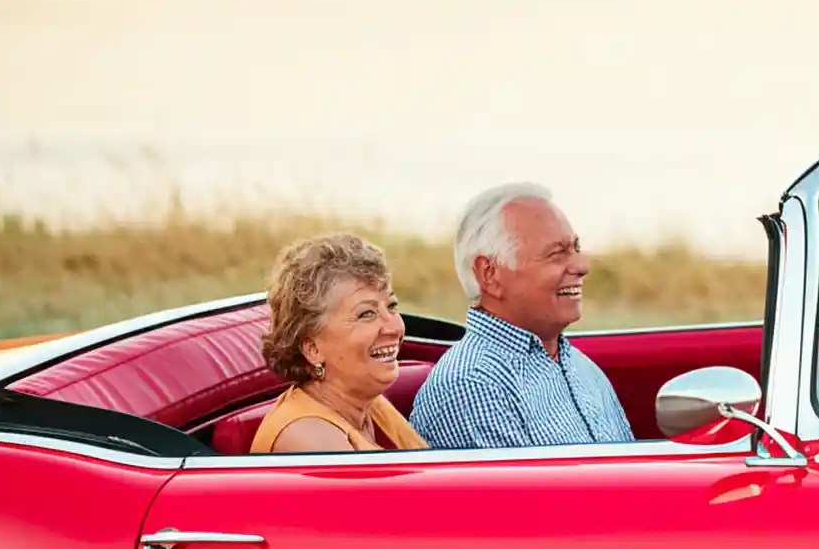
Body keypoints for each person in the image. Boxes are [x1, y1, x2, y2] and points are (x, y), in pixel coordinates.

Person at [410, 182, 634, 448]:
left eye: (576, 248)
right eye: (556, 254)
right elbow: (531, 492)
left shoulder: (578, 365)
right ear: (490, 274)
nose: (582, 266)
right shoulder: (473, 386)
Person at [252, 233, 429, 453]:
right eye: (366, 314)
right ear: (313, 349)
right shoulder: (306, 436)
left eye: (391, 306)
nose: (394, 328)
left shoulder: (370, 404)